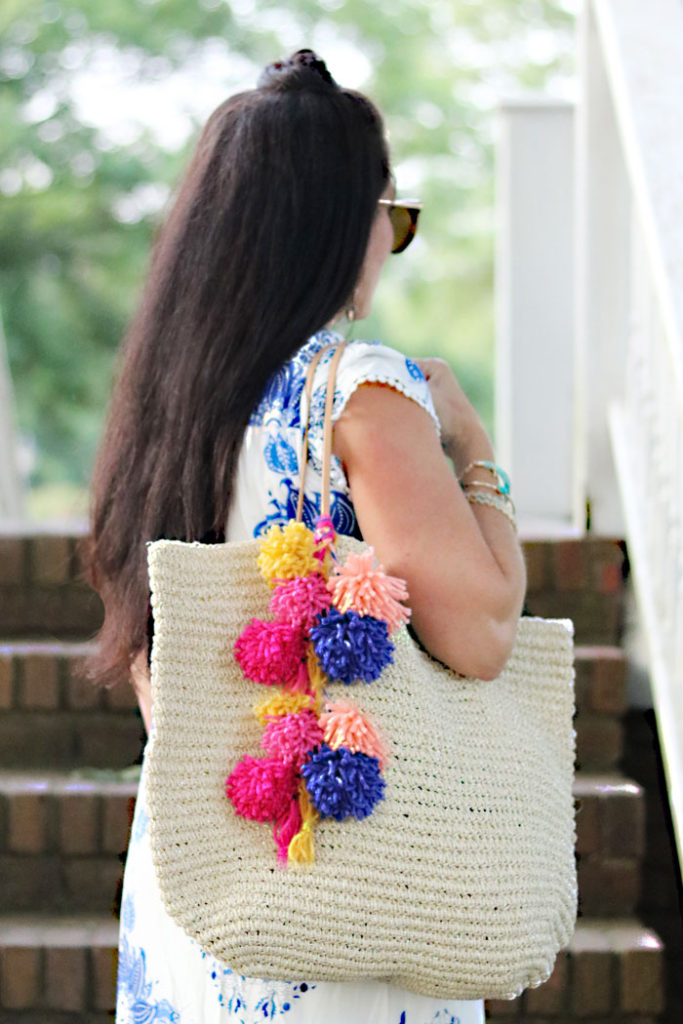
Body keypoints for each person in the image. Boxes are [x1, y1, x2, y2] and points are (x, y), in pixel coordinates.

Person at [86, 49, 526, 1024]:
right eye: (391, 219)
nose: (388, 247)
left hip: (198, 875)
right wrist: (473, 447)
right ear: (339, 223)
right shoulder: (360, 392)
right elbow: (483, 629)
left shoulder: (169, 402)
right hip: (338, 879)